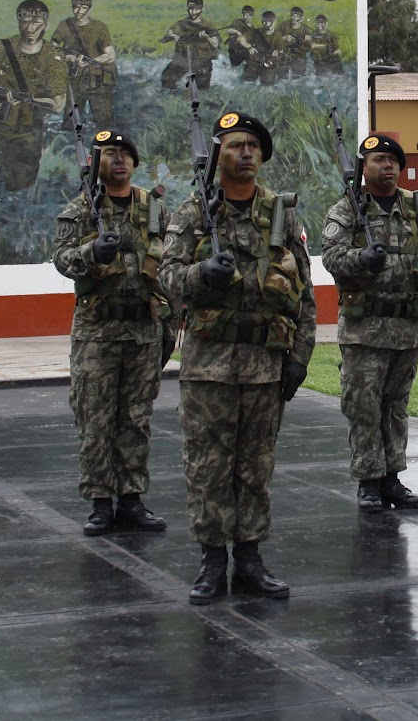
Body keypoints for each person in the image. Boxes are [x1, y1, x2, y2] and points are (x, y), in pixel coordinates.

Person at [161, 112, 316, 604]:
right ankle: (212, 560)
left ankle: (250, 558)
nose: (245, 152)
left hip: (266, 365)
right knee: (208, 466)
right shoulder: (195, 211)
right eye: (234, 145)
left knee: (256, 467)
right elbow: (166, 277)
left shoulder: (281, 213)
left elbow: (304, 291)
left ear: (262, 155)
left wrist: (300, 356)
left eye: (252, 145)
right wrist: (199, 274)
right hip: (209, 366)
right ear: (217, 155)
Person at [53, 130, 174, 537]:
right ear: (95, 163)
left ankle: (132, 498)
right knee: (95, 417)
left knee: (136, 418)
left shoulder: (155, 209)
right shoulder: (81, 209)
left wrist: (170, 326)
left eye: (125, 154)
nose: (118, 160)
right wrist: (91, 253)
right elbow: (61, 259)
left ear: (135, 163)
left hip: (143, 330)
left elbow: (172, 265)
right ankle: (101, 502)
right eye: (109, 154)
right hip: (97, 332)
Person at [320, 133, 418, 511]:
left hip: (407, 327)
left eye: (392, 160)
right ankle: (368, 480)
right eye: (378, 160)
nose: (387, 165)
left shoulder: (417, 208)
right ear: (364, 167)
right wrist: (360, 259)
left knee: (396, 407)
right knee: (364, 406)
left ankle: (392, 478)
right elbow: (331, 256)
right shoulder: (347, 209)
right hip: (365, 328)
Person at [0, 0, 69, 191]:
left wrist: (30, 99)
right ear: (18, 22)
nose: (30, 28)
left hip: (28, 134)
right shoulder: (0, 48)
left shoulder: (54, 57)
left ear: (46, 25)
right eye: (25, 22)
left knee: (21, 187)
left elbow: (58, 105)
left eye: (36, 23)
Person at [51, 0, 118, 127]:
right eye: (76, 7)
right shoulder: (64, 26)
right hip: (75, 80)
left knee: (104, 122)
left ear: (90, 8)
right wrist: (67, 58)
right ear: (72, 7)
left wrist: (89, 62)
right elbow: (52, 51)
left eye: (84, 7)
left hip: (98, 80)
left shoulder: (99, 27)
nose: (80, 11)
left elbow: (110, 55)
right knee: (70, 123)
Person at [160, 0, 221, 90]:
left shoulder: (208, 25)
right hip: (183, 60)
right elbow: (170, 32)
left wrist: (207, 37)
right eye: (191, 8)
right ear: (187, 8)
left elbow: (215, 44)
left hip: (201, 62)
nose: (193, 11)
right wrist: (174, 36)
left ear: (202, 8)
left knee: (201, 89)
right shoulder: (182, 24)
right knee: (167, 77)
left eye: (197, 8)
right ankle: (172, 95)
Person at [239, 9, 279, 86]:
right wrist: (249, 47)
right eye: (265, 21)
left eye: (270, 21)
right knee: (245, 84)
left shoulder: (278, 35)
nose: (267, 24)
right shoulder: (256, 32)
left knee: (267, 86)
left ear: (274, 22)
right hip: (253, 63)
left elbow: (283, 50)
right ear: (262, 22)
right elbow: (241, 38)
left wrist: (277, 54)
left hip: (269, 65)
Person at [273, 6, 312, 81]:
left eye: (297, 17)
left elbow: (309, 48)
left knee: (298, 78)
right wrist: (284, 38)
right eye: (293, 16)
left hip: (298, 57)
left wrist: (308, 40)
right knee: (281, 78)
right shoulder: (284, 25)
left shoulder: (305, 29)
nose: (294, 18)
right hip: (283, 56)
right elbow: (274, 38)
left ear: (302, 18)